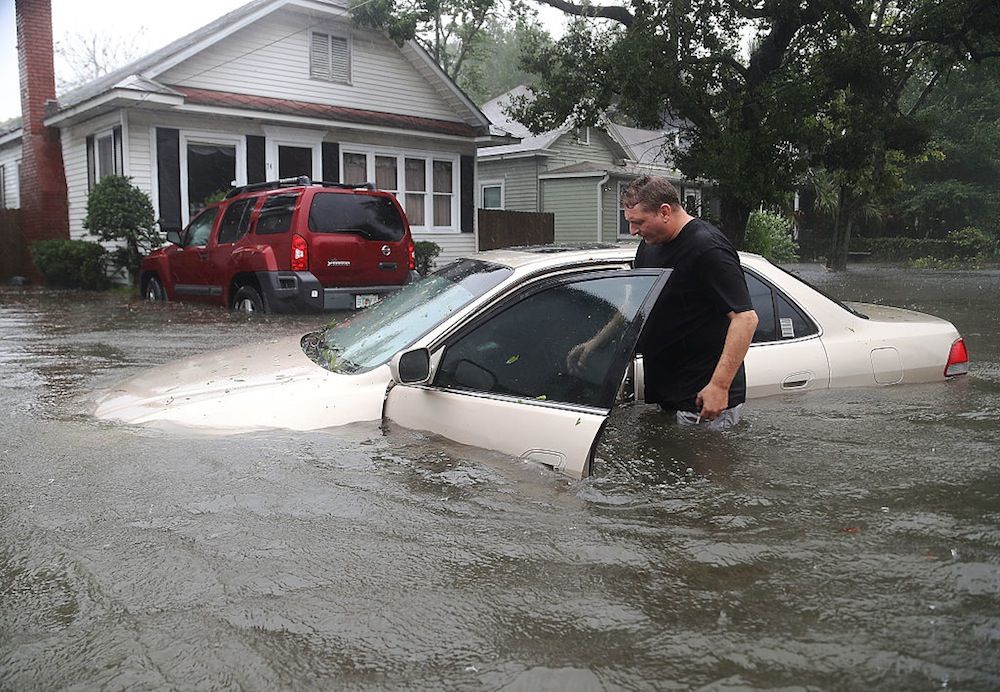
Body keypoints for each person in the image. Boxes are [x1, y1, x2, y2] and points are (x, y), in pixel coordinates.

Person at [567, 176, 758, 429]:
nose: (633, 231)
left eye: (638, 222)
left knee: (708, 467)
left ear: (665, 212)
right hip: (666, 393)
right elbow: (635, 304)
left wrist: (720, 386)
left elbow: (745, 318)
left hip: (703, 400)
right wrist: (596, 343)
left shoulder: (708, 248)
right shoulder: (649, 247)